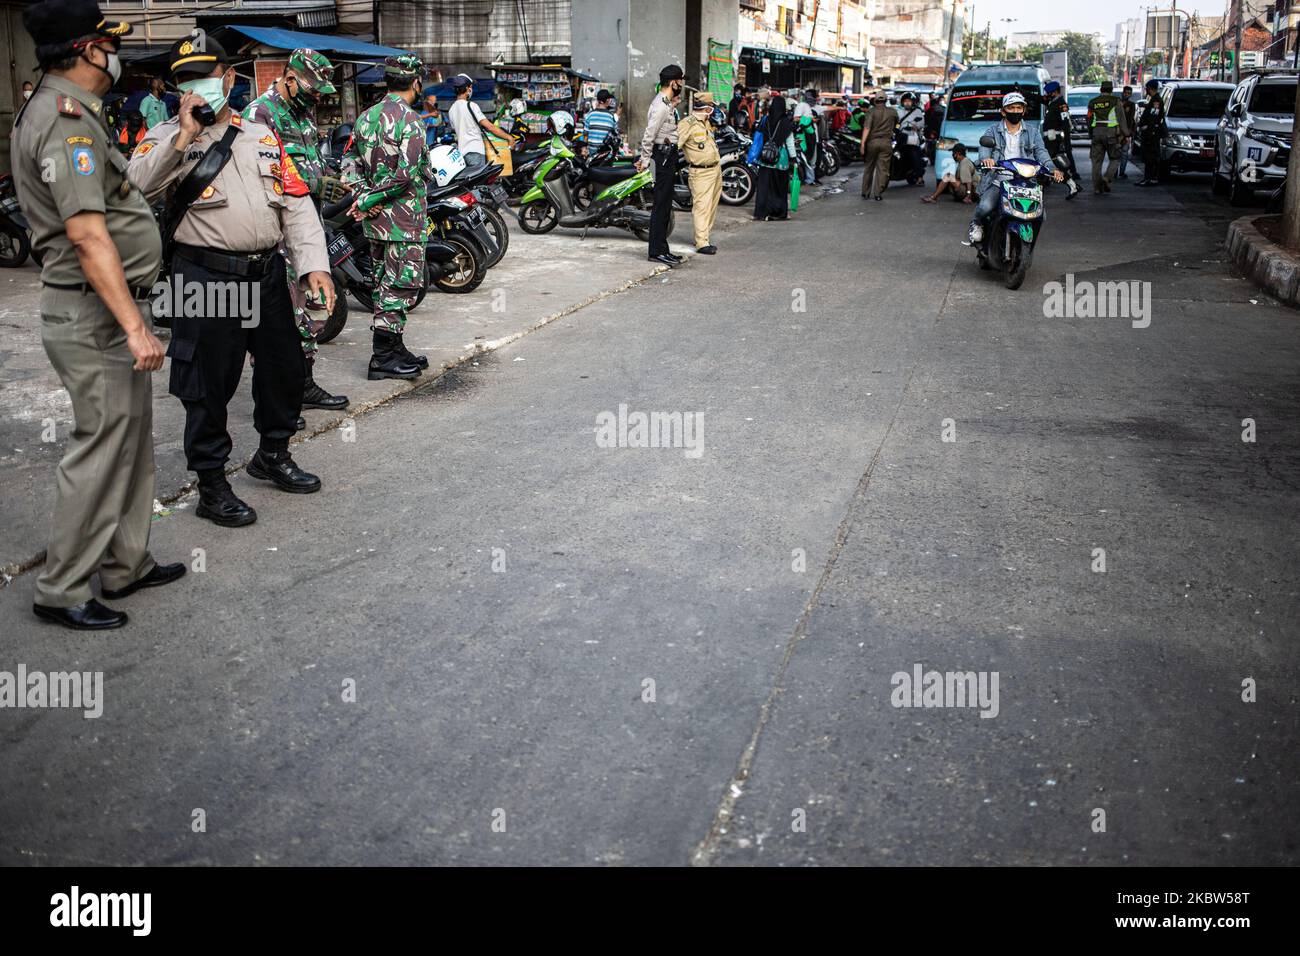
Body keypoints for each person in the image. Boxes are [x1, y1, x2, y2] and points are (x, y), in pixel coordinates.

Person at [13, 0, 183, 630]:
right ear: (88, 49)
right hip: (94, 316)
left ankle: (126, 562)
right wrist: (136, 326)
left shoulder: (77, 112)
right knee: (100, 445)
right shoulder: (65, 122)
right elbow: (87, 237)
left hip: (108, 309)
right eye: (110, 44)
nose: (116, 55)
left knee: (131, 441)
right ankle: (59, 589)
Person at [130, 31, 334, 527]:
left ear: (227, 78)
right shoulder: (163, 140)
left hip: (266, 273)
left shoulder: (260, 136)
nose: (196, 86)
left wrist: (314, 265)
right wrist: (181, 136)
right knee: (206, 384)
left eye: (204, 75)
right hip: (203, 276)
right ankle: (212, 482)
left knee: (283, 370)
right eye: (184, 80)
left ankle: (273, 453)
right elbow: (134, 189)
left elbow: (297, 202)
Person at [244, 48, 348, 416]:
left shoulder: (302, 113)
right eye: (313, 88)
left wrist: (326, 181)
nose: (319, 96)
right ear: (289, 78)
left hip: (304, 233)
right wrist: (316, 185)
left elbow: (308, 165)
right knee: (277, 323)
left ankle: (302, 385)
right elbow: (258, 178)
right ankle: (271, 403)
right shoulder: (260, 114)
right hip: (276, 236)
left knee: (310, 314)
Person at [344, 54, 430, 380]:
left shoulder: (365, 118)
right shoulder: (411, 121)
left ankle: (395, 348)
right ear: (415, 82)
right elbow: (406, 175)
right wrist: (372, 198)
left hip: (376, 221)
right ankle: (382, 357)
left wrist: (365, 197)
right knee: (401, 286)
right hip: (403, 221)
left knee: (384, 284)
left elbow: (349, 164)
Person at [968, 92, 1063, 244]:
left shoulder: (1033, 132)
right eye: (1011, 108)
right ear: (1003, 111)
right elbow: (984, 149)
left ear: (1024, 111)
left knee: (1040, 215)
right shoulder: (992, 130)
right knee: (984, 207)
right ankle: (976, 224)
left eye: (1019, 107)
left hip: (1026, 181)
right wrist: (987, 159)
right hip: (999, 180)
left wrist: (1052, 168)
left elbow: (1041, 152)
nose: (1015, 111)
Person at [638, 63, 684, 266]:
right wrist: (645, 159)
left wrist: (673, 106)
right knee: (660, 206)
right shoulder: (659, 105)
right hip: (662, 158)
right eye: (680, 80)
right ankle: (656, 251)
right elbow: (649, 135)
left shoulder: (665, 103)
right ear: (673, 82)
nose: (682, 84)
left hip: (668, 157)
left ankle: (662, 249)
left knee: (666, 206)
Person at [678, 92, 721, 254]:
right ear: (708, 108)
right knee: (702, 207)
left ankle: (704, 236)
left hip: (715, 169)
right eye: (712, 107)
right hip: (700, 172)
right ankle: (701, 243)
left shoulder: (706, 123)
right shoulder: (687, 124)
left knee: (711, 206)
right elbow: (676, 144)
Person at [448, 72, 515, 168]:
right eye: (471, 86)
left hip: (461, 154)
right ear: (467, 88)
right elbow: (490, 127)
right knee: (478, 182)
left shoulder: (451, 109)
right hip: (475, 152)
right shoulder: (471, 106)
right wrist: (508, 137)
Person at [752, 93, 796, 221]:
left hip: (765, 157)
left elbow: (758, 135)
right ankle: (778, 212)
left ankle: (761, 213)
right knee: (779, 186)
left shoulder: (765, 119)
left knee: (764, 187)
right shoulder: (785, 122)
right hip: (779, 158)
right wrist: (793, 158)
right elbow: (789, 142)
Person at [1086, 80, 1129, 194]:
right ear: (1111, 90)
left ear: (1101, 90)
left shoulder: (1092, 102)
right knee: (1115, 158)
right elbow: (1121, 118)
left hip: (1096, 133)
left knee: (1096, 162)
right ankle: (1106, 178)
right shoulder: (1116, 101)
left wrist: (1091, 133)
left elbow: (1089, 119)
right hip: (1111, 134)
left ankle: (1097, 188)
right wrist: (1126, 134)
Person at [1041, 80, 1081, 199]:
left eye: (1049, 93)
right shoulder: (1052, 102)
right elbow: (1038, 98)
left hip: (1054, 138)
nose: (1047, 95)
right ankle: (1072, 185)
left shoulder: (1061, 104)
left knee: (1049, 162)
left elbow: (1065, 124)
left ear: (1054, 92)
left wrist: (1066, 142)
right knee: (1050, 163)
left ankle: (1072, 184)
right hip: (1049, 138)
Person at [859, 92, 897, 201]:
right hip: (886, 142)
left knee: (869, 167)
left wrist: (862, 144)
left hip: (872, 142)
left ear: (875, 100)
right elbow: (896, 125)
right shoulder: (893, 112)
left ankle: (865, 193)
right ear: (886, 100)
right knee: (883, 169)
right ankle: (878, 194)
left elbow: (867, 128)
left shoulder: (871, 112)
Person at [1135, 79, 1166, 187]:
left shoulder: (1156, 101)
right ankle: (1150, 178)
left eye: (1146, 88)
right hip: (1150, 133)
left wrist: (1150, 131)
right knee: (1150, 156)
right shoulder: (1153, 99)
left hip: (1151, 134)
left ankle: (1150, 178)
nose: (1145, 90)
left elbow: (1154, 117)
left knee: (1150, 157)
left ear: (1150, 88)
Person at [895, 91, 925, 185]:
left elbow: (921, 123)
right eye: (905, 101)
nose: (907, 103)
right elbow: (895, 122)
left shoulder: (918, 111)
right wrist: (894, 129)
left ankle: (920, 178)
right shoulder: (898, 111)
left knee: (915, 156)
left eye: (909, 101)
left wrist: (914, 126)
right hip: (901, 137)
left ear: (913, 102)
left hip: (912, 138)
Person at [1117, 86, 1136, 179]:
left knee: (1124, 153)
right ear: (1122, 92)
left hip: (1126, 132)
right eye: (1126, 92)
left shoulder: (1131, 105)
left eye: (1129, 93)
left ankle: (1122, 172)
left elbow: (1130, 120)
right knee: (1116, 153)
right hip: (1116, 131)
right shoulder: (1117, 102)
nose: (1127, 94)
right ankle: (1114, 171)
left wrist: (1128, 134)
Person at [924, 91, 945, 167]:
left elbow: (926, 121)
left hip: (932, 131)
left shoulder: (929, 110)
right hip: (941, 130)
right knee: (942, 143)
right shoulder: (943, 109)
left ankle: (933, 158)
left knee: (931, 144)